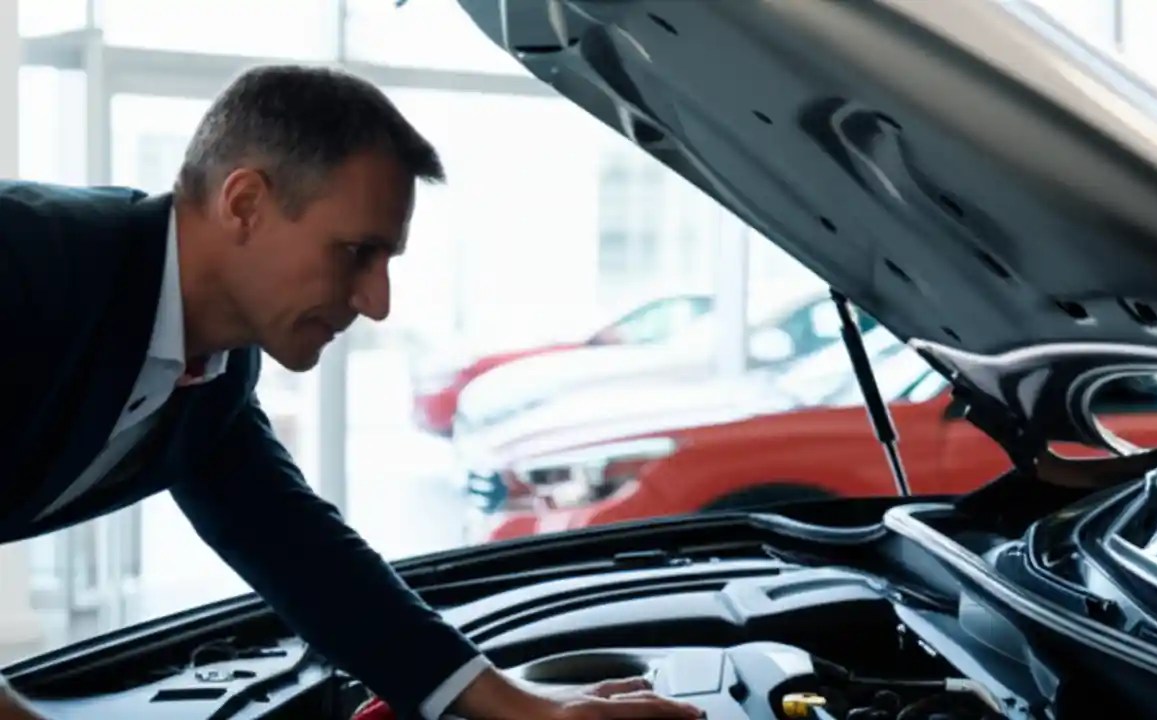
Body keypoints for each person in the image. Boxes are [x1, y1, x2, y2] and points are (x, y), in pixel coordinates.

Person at [0, 64, 704, 720]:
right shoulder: (26, 261)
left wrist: (531, 708)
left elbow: (303, 556)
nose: (376, 302)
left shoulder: (217, 371)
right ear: (245, 203)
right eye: (356, 253)